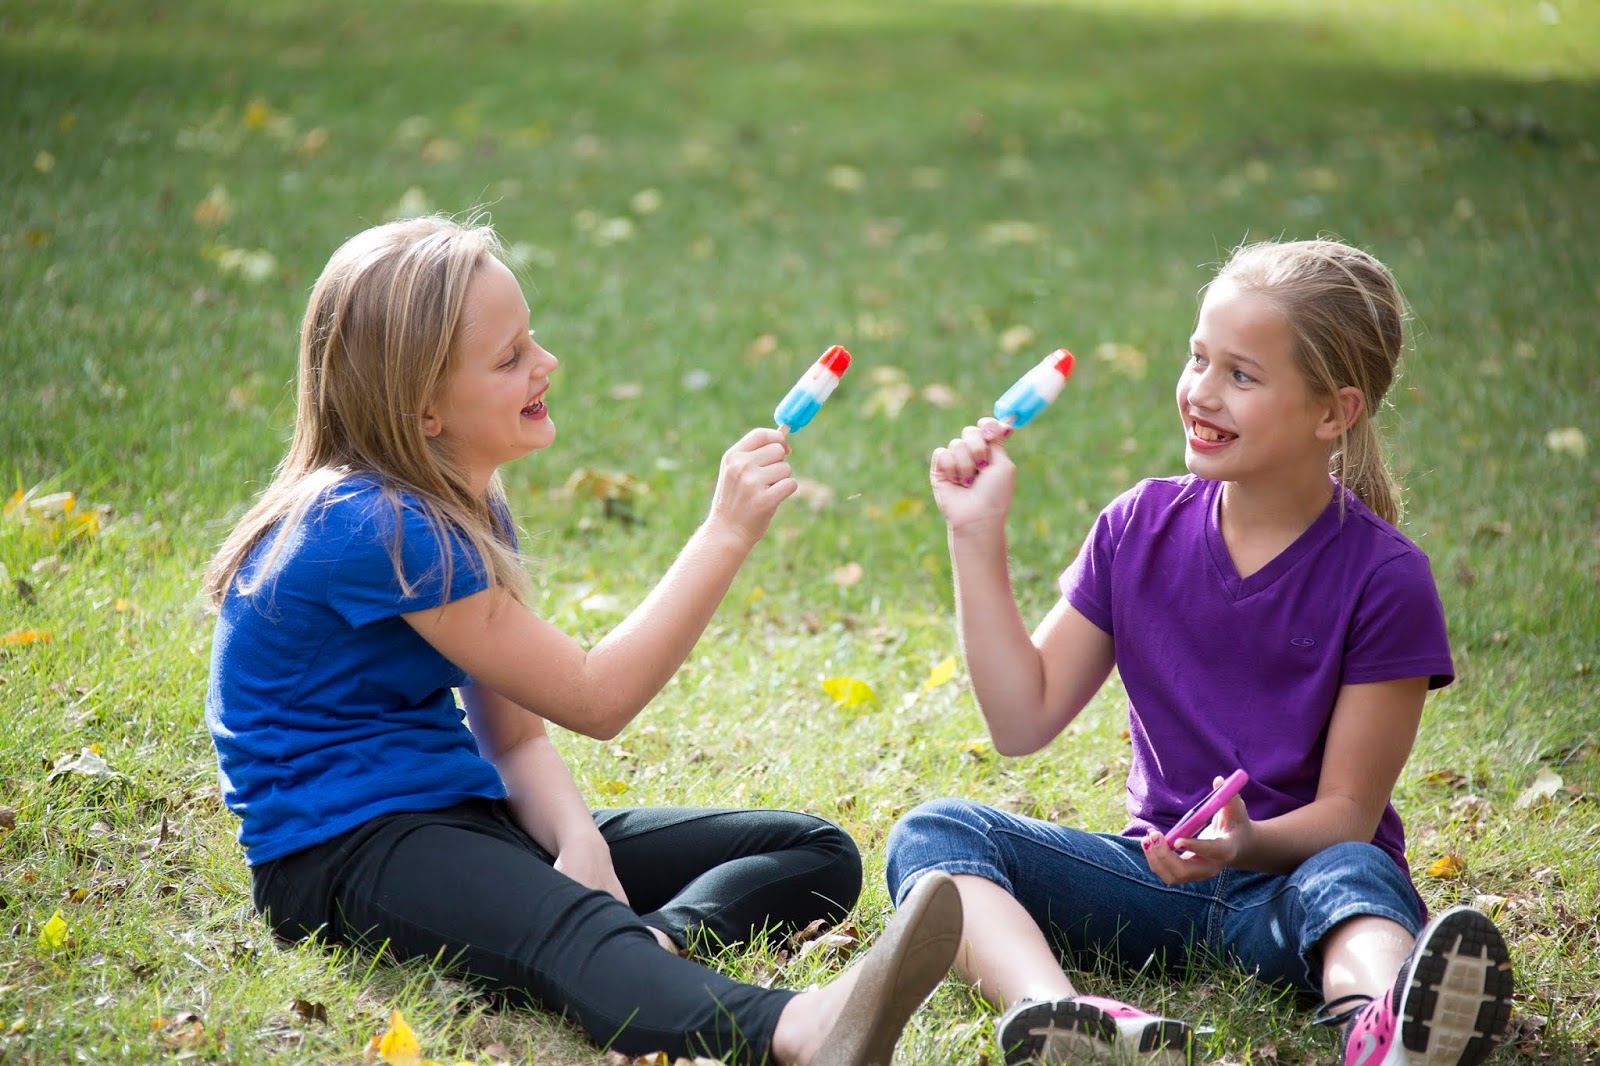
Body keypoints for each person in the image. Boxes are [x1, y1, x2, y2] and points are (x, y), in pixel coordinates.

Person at [202, 215, 962, 1066]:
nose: (545, 363)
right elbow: (596, 699)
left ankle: (656, 947)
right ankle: (802, 1031)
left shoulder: (465, 506)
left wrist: (580, 842)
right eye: (509, 356)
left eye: (531, 338)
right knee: (571, 930)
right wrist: (724, 532)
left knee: (807, 851)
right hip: (343, 854)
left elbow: (516, 731)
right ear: (421, 410)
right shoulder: (371, 528)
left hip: (456, 810)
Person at [884, 239, 1516, 1066]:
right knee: (934, 837)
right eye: (1198, 359)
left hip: (1296, 888)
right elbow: (1020, 717)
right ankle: (1068, 1018)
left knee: (1357, 873)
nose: (1200, 393)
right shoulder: (1137, 527)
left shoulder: (1385, 579)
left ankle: (1383, 1027)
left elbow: (1348, 814)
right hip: (1154, 883)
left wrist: (1247, 844)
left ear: (1334, 412)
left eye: (1241, 376)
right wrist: (975, 535)